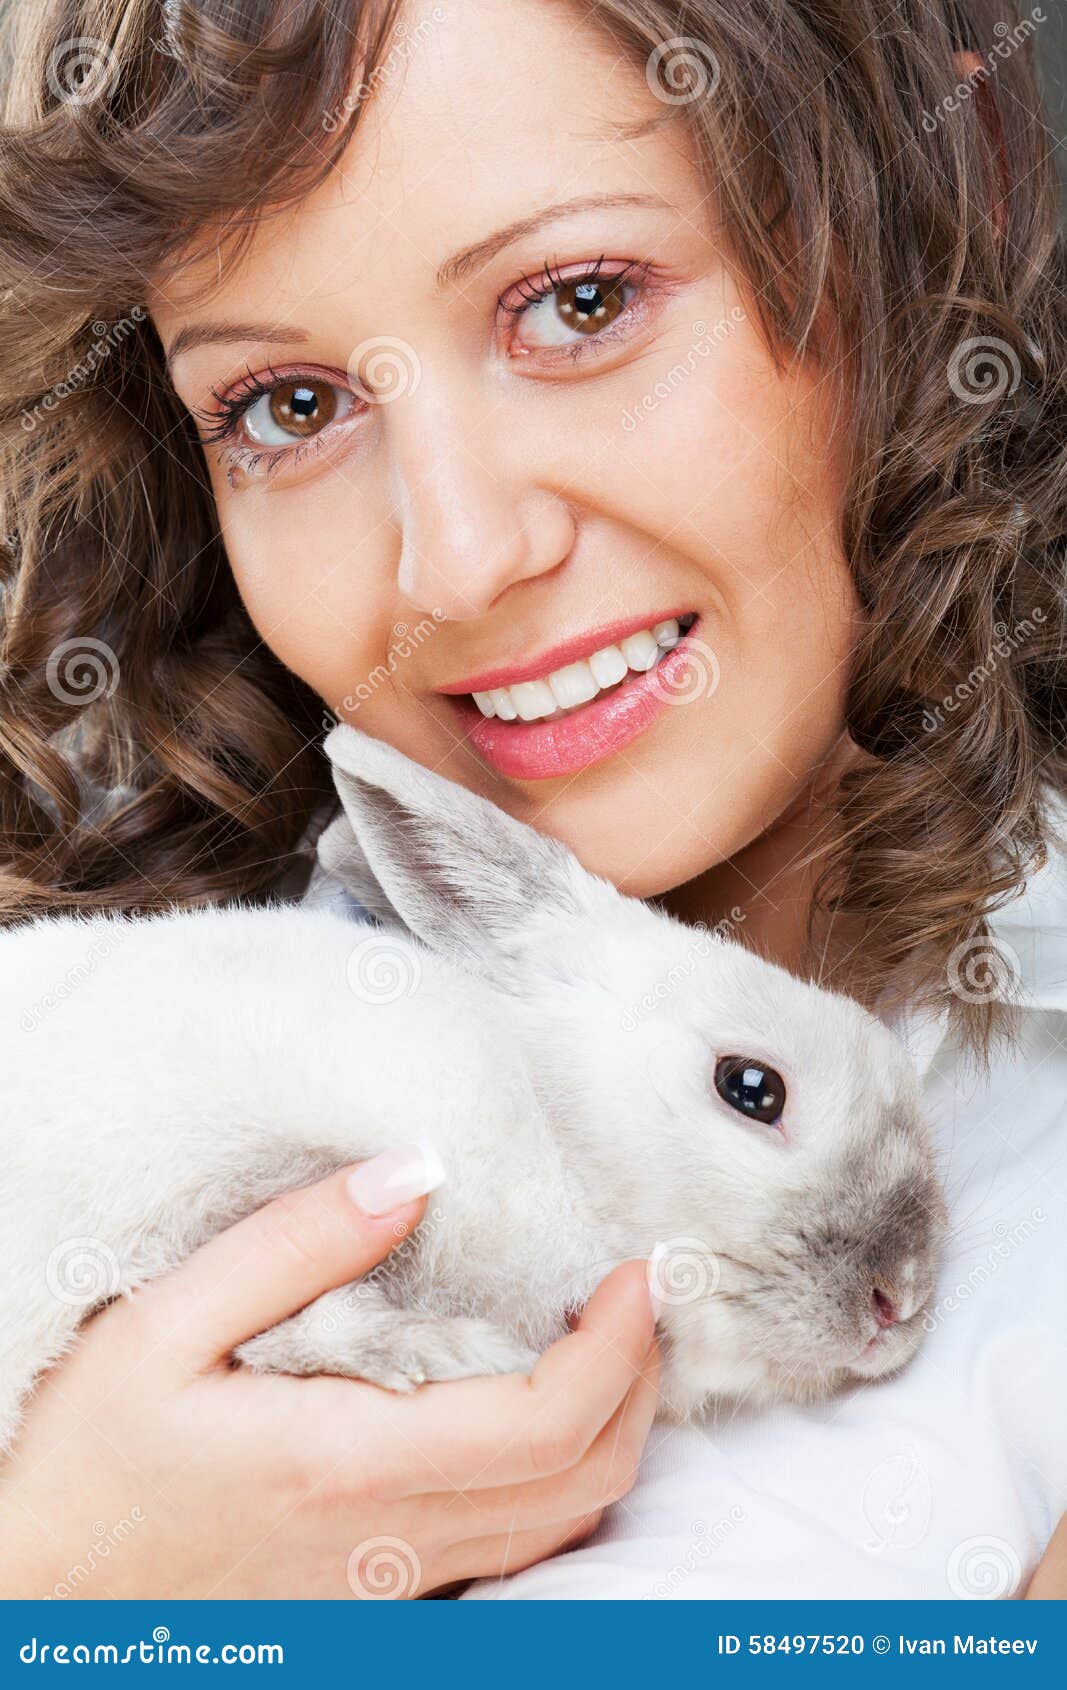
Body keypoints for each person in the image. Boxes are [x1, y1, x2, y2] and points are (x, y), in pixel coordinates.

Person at [0, 0, 1063, 1599]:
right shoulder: (139, 997)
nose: (458, 559)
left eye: (578, 302)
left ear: (920, 232)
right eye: (288, 405)